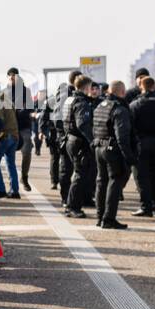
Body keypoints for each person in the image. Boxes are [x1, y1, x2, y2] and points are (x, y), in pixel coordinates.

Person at [92, 81, 135, 229]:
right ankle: (109, 218)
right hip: (112, 150)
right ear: (122, 92)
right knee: (115, 182)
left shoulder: (100, 105)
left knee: (101, 182)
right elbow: (122, 136)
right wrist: (129, 156)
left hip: (99, 147)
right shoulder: (119, 109)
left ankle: (100, 217)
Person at [129, 77, 155, 218]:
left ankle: (146, 206)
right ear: (154, 86)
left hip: (141, 143)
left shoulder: (135, 105)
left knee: (142, 176)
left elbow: (130, 126)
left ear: (141, 86)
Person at [60, 75, 96, 218]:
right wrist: (92, 140)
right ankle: (73, 207)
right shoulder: (82, 102)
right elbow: (82, 124)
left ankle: (73, 204)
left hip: (70, 139)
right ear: (86, 87)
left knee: (78, 173)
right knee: (80, 175)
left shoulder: (69, 99)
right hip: (79, 142)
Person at [4, 68, 36, 190]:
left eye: (14, 76)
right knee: (8, 154)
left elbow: (29, 108)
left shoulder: (25, 91)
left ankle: (24, 177)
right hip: (10, 127)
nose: (12, 78)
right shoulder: (5, 92)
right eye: (10, 76)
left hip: (23, 126)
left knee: (27, 151)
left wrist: (17, 113)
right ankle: (12, 180)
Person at [0, 85, 21, 199]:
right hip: (14, 135)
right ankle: (14, 191)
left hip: (4, 136)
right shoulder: (8, 100)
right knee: (10, 164)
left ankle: (1, 189)